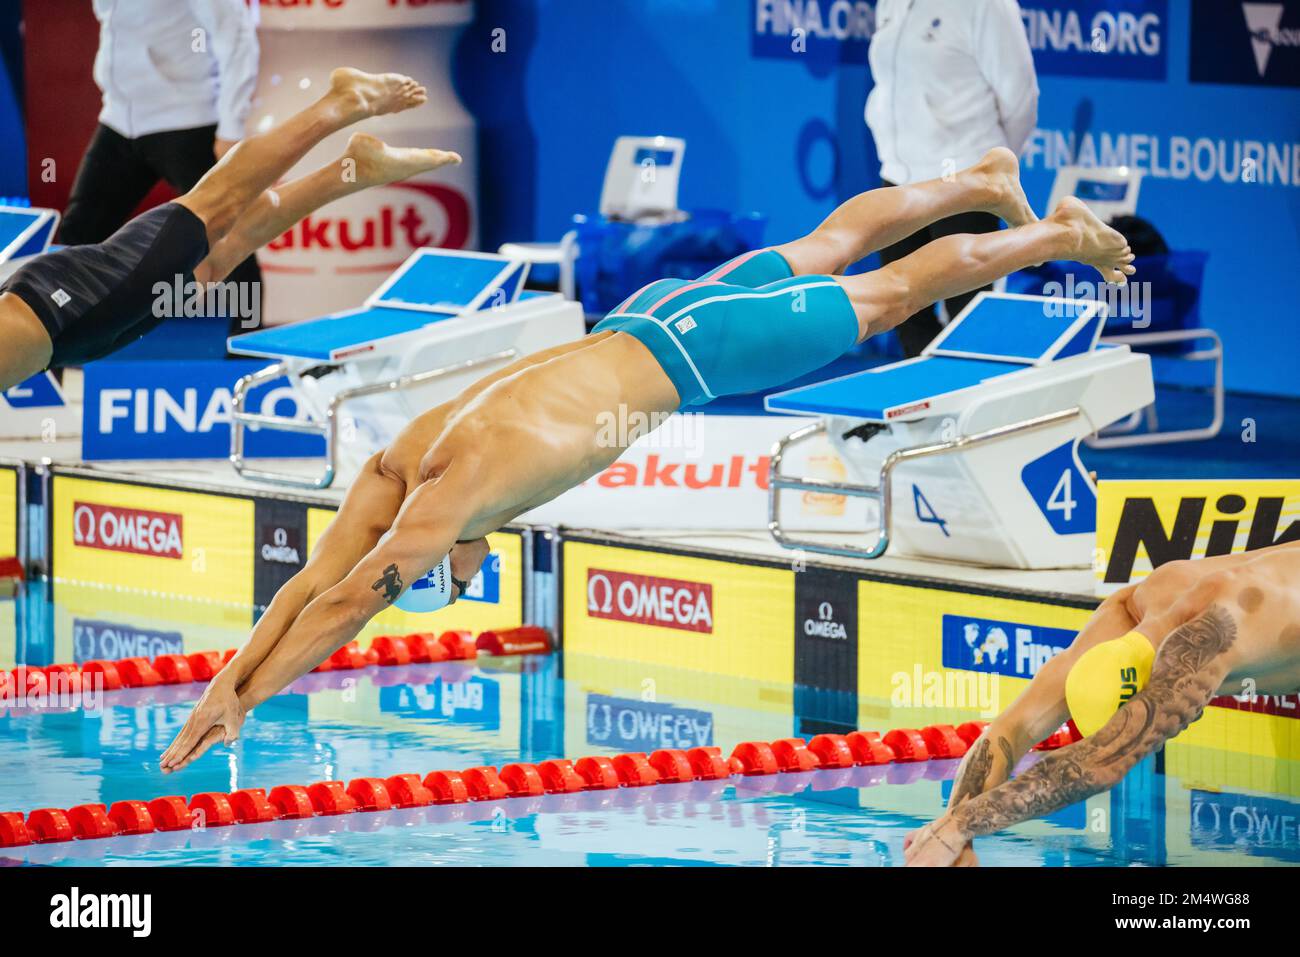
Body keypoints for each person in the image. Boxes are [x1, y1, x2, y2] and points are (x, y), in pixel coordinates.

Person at [158, 147, 1136, 773]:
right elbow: (309, 583)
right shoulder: (400, 466)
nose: (470, 568)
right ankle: (974, 180)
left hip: (693, 355)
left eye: (452, 575)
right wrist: (228, 681)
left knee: (882, 296)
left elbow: (343, 603)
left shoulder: (435, 511)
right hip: (646, 317)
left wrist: (255, 698)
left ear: (434, 558)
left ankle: (1053, 232)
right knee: (828, 241)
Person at [0, 68, 459, 392]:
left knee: (215, 205)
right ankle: (350, 170)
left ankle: (341, 101)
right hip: (67, 341)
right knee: (213, 263)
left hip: (56, 304)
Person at [905, 541, 1300, 867]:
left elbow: (1102, 762)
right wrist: (955, 839)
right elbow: (1011, 730)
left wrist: (958, 826)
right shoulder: (1135, 605)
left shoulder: (1207, 639)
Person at [59, 0, 264, 343]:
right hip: (118, 118)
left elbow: (235, 31)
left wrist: (231, 127)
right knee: (80, 233)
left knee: (228, 236)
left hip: (186, 118)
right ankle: (67, 347)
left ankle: (248, 349)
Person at [867, 0, 1038, 356]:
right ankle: (920, 405)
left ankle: (976, 404)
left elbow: (1020, 96)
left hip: (964, 182)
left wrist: (994, 168)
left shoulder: (988, 5)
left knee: (968, 314)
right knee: (901, 310)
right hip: (899, 180)